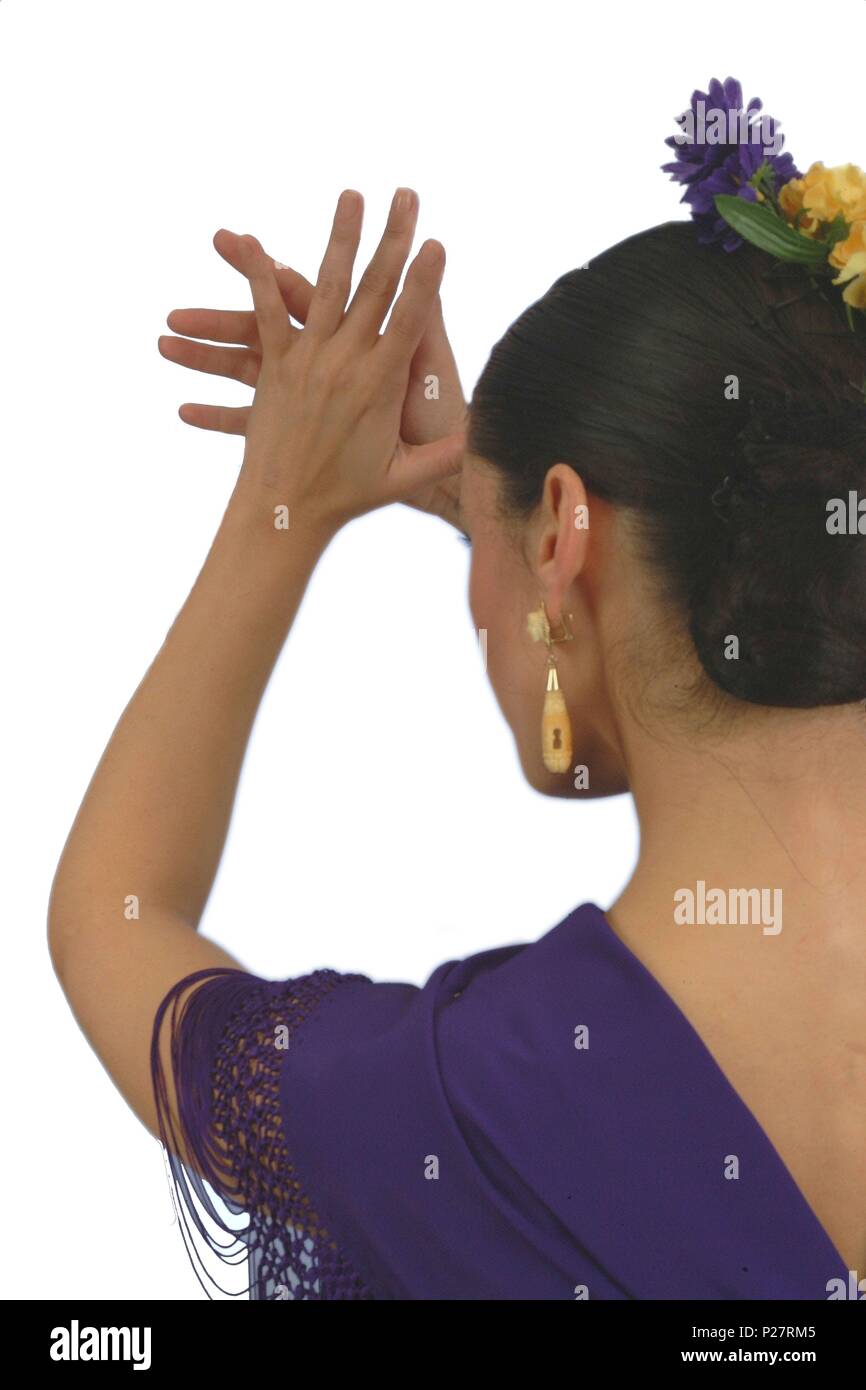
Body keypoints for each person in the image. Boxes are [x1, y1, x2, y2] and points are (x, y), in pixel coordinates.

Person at [48, 162, 866, 1299]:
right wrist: (521, 521)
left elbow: (113, 911)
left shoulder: (445, 1109)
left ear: (559, 538)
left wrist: (284, 504)